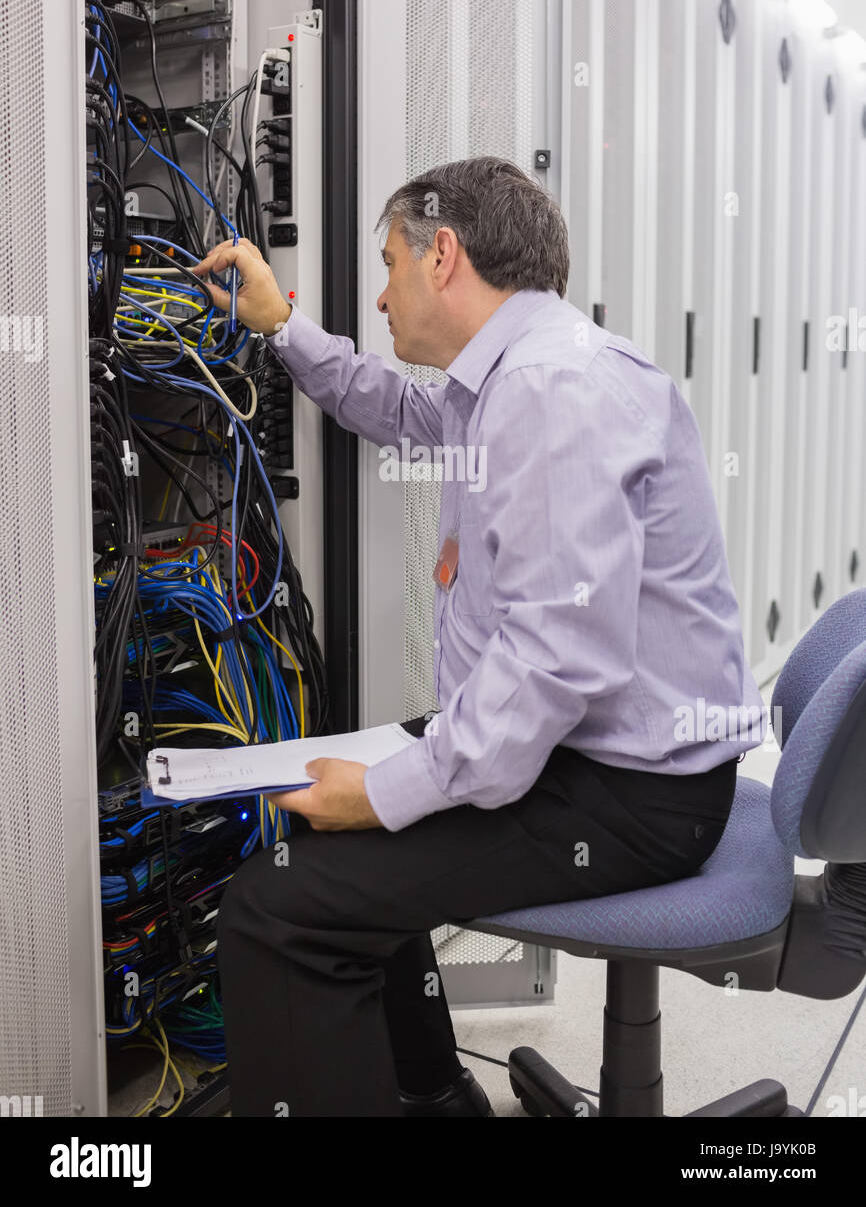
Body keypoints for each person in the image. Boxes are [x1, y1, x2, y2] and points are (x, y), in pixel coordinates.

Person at [193, 156, 766, 1118]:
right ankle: (434, 1094)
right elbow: (401, 409)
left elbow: (555, 663)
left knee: (277, 910)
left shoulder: (551, 392)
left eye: (388, 267)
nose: (380, 295)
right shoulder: (505, 381)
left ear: (443, 256)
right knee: (330, 826)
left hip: (631, 795)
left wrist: (384, 794)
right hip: (599, 755)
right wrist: (282, 328)